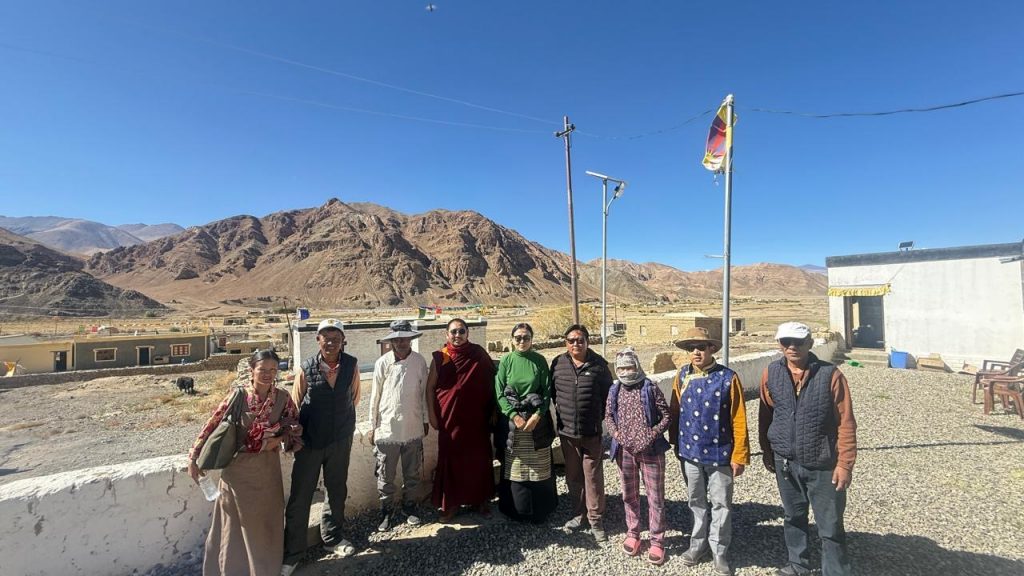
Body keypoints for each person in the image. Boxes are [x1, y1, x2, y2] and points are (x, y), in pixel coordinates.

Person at [187, 349, 301, 576]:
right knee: (235, 524)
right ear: (252, 370)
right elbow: (212, 424)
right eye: (262, 369)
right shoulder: (238, 397)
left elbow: (294, 425)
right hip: (237, 471)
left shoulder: (283, 397)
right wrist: (193, 456)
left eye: (273, 370)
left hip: (268, 471)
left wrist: (278, 439)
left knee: (266, 521)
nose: (267, 374)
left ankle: (265, 569)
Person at [759, 322, 857, 576]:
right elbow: (766, 415)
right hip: (786, 461)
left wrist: (845, 464)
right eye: (786, 342)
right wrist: (768, 451)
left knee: (830, 525)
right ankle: (798, 564)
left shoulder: (831, 375)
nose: (792, 347)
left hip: (822, 462)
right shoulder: (771, 373)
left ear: (810, 344)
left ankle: (835, 571)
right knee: (793, 516)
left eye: (799, 342)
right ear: (779, 345)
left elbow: (846, 422)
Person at [282, 319, 361, 576]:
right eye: (326, 338)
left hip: (340, 439)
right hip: (310, 441)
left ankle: (333, 538)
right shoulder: (306, 368)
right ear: (318, 340)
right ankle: (293, 553)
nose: (331, 343)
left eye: (336, 338)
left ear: (343, 341)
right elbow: (295, 405)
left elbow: (354, 398)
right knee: (301, 495)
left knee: (336, 490)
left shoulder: (351, 365)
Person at [669, 327, 750, 576]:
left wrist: (739, 455)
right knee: (696, 501)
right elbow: (675, 411)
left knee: (721, 504)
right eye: (691, 347)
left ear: (711, 349)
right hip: (690, 452)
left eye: (701, 347)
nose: (696, 352)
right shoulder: (682, 376)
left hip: (720, 454)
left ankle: (719, 551)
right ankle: (697, 545)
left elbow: (738, 417)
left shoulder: (728, 378)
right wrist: (675, 442)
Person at [604, 347, 671, 565]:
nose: (626, 372)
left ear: (637, 366)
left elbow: (666, 416)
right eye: (621, 368)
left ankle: (657, 540)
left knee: (655, 497)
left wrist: (651, 434)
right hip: (625, 451)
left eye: (630, 367)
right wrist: (617, 435)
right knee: (629, 495)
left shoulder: (650, 387)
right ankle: (633, 533)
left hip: (651, 451)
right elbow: (608, 416)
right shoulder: (615, 390)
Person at [427, 317, 497, 522]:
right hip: (449, 418)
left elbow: (492, 379)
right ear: (446, 334)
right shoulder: (441, 356)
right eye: (453, 331)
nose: (457, 335)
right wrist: (432, 415)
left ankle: (480, 500)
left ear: (468, 333)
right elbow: (430, 388)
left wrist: (494, 409)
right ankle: (451, 504)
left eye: (461, 331)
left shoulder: (478, 353)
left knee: (479, 458)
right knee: (450, 459)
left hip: (476, 417)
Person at [550, 324, 613, 542]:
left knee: (592, 477)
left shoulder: (599, 365)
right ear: (565, 343)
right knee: (573, 476)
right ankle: (578, 515)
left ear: (587, 342)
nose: (575, 344)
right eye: (571, 340)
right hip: (567, 433)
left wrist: (597, 418)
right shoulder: (558, 363)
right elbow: (553, 394)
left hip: (591, 433)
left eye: (580, 340)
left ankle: (596, 519)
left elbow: (609, 397)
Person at [368, 320, 430, 532]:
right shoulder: (382, 363)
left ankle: (409, 506)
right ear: (392, 341)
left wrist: (424, 420)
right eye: (397, 339)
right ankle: (386, 511)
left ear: (410, 339)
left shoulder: (419, 362)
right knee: (386, 475)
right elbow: (375, 396)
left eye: (405, 338)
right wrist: (373, 426)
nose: (401, 342)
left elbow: (423, 394)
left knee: (412, 473)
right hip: (387, 429)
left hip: (413, 426)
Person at [493, 323, 557, 523]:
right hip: (515, 423)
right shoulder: (506, 360)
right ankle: (517, 511)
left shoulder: (539, 360)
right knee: (516, 466)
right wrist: (514, 415)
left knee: (539, 464)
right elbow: (499, 392)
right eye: (518, 337)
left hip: (536, 421)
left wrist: (537, 415)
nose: (522, 341)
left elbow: (546, 391)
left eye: (526, 337)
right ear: (512, 340)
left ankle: (541, 511)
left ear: (532, 339)